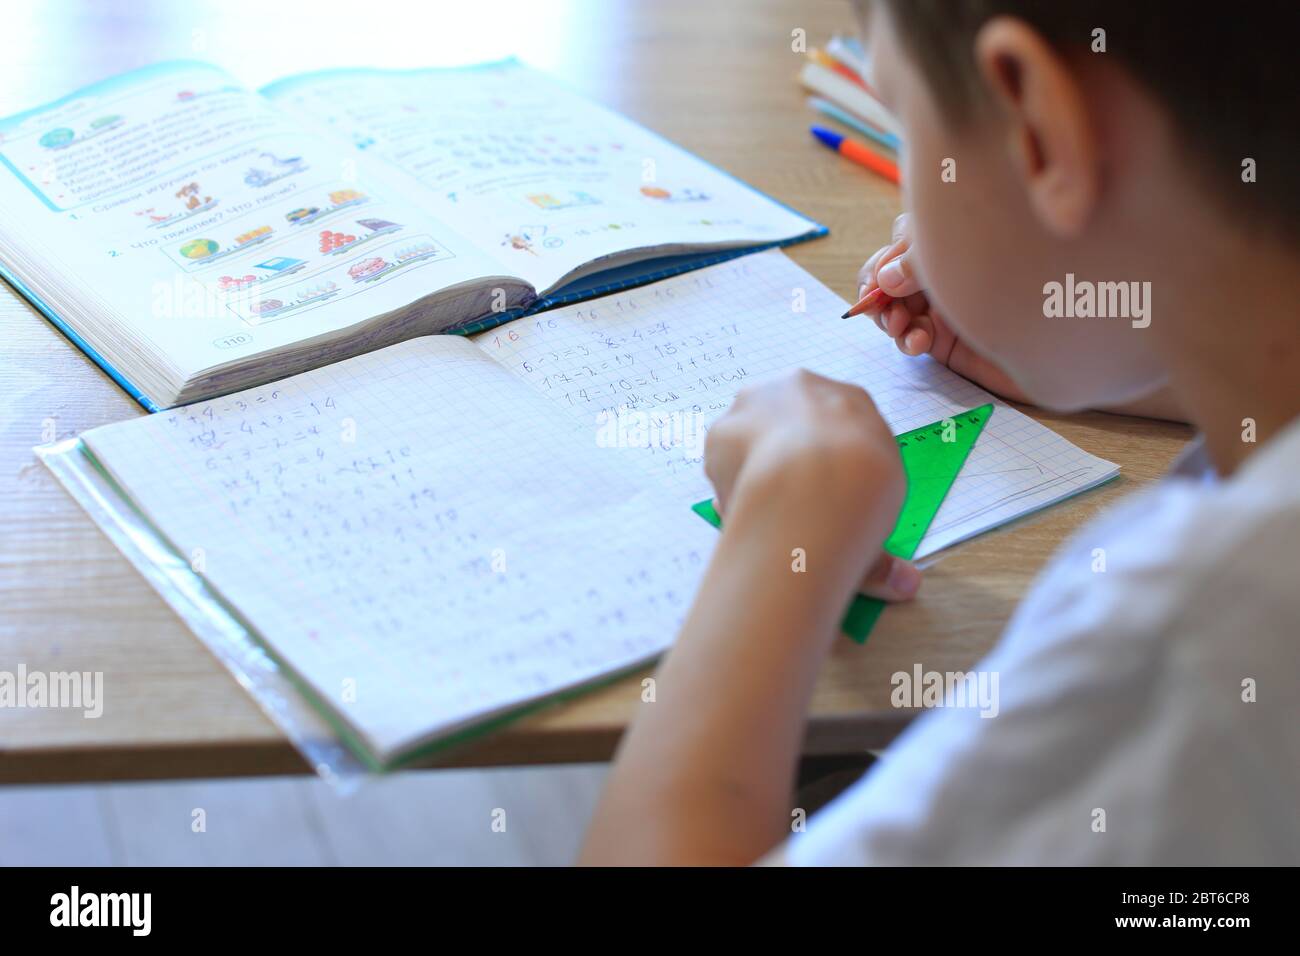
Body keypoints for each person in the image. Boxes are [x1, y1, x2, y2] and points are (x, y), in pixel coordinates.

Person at [579, 0, 1300, 865]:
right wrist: (1154, 356)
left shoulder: (1191, 639)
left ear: (1035, 126)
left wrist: (782, 542)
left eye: (904, 129)